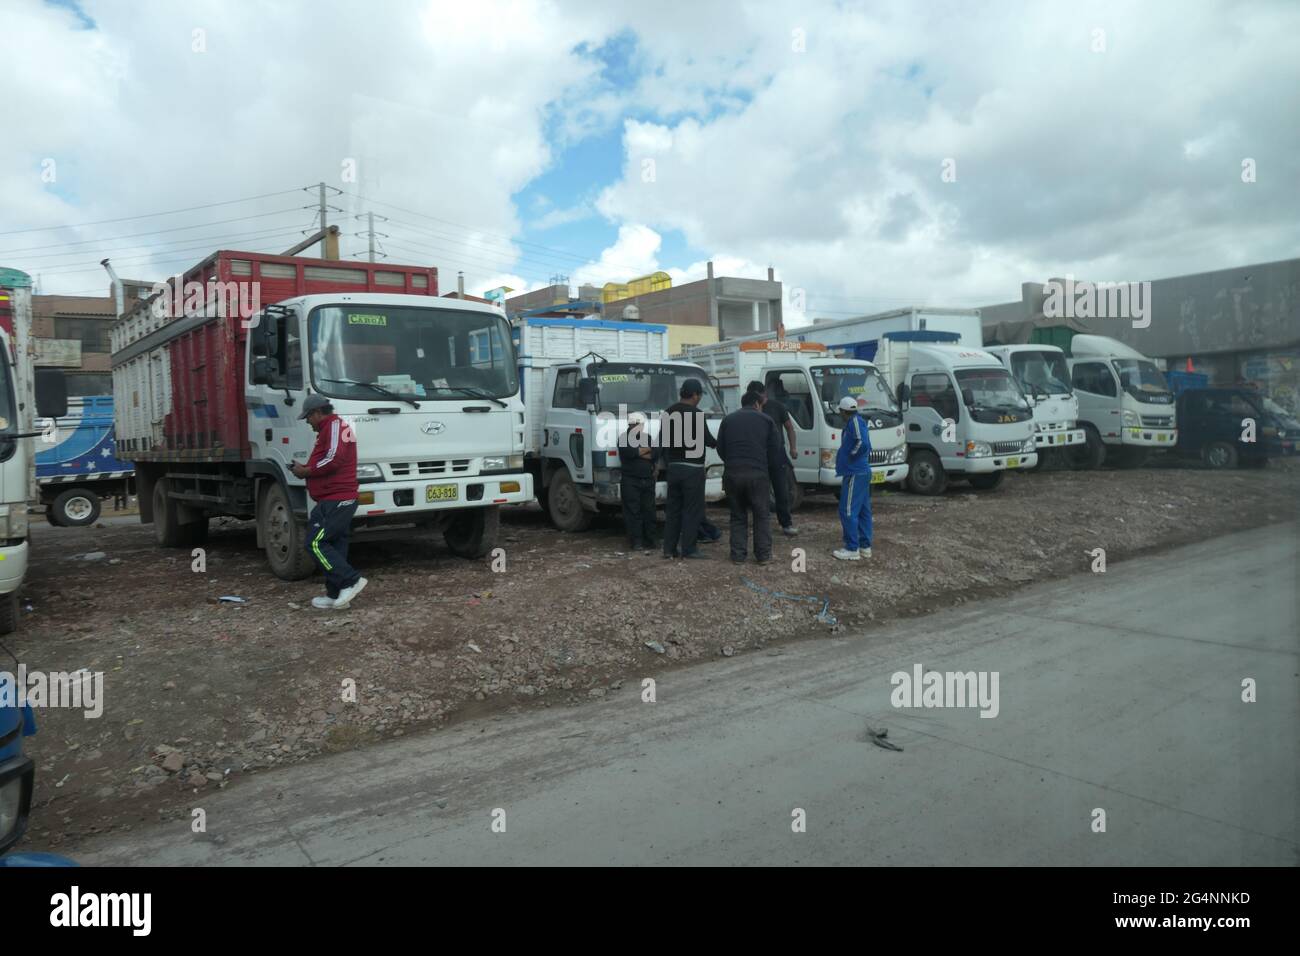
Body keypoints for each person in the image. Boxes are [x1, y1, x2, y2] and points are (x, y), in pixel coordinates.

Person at [290, 395, 368, 608]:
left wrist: (306, 470)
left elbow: (334, 459)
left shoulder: (334, 426)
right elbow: (330, 458)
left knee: (314, 543)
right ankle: (336, 595)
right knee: (334, 544)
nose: (308, 422)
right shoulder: (329, 430)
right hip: (331, 498)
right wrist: (306, 469)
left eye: (308, 417)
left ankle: (351, 580)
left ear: (317, 413)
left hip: (338, 498)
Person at [716, 390, 783, 564]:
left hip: (732, 474)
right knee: (761, 515)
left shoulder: (728, 420)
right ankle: (763, 555)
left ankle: (738, 555)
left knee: (738, 515)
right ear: (757, 404)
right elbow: (776, 450)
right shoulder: (767, 421)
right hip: (758, 475)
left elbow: (720, 448)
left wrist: (732, 462)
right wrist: (764, 466)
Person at [658, 379, 716, 560]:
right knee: (692, 510)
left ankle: (669, 550)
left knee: (673, 510)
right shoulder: (697, 414)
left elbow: (662, 442)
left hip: (673, 470)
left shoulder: (668, 413)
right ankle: (689, 549)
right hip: (693, 470)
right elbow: (709, 440)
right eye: (699, 396)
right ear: (695, 395)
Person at [746, 380, 799, 537]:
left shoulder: (777, 407)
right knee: (758, 489)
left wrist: (793, 447)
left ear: (764, 394)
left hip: (777, 453)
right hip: (758, 455)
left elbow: (790, 427)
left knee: (781, 489)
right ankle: (761, 522)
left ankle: (786, 523)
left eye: (756, 396)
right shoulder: (749, 409)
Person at [833, 396, 873, 560]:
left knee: (847, 509)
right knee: (863, 511)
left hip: (855, 472)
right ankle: (865, 546)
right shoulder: (856, 422)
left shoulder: (854, 422)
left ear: (843, 411)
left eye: (840, 412)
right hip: (860, 472)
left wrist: (850, 456)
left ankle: (852, 548)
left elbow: (862, 443)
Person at [618, 412, 656, 551]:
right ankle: (636, 542)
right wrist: (644, 452)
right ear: (632, 424)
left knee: (649, 511)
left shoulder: (648, 437)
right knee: (633, 512)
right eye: (638, 424)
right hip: (630, 481)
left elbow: (654, 454)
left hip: (648, 480)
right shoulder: (623, 438)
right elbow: (630, 453)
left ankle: (650, 541)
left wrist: (639, 453)